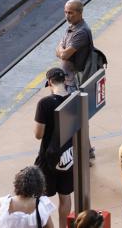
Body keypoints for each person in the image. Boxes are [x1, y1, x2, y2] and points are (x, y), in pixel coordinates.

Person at [33, 68, 74, 227]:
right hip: (68, 157)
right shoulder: (74, 100)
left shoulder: (44, 103)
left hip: (48, 158)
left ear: (49, 82)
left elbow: (38, 134)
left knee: (40, 196)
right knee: (65, 195)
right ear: (65, 80)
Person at [56, 0, 92, 92]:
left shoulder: (81, 32)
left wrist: (61, 48)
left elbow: (64, 55)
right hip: (67, 80)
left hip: (74, 83)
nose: (67, 16)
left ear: (80, 13)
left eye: (70, 13)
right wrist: (61, 49)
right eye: (66, 12)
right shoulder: (71, 27)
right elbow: (58, 52)